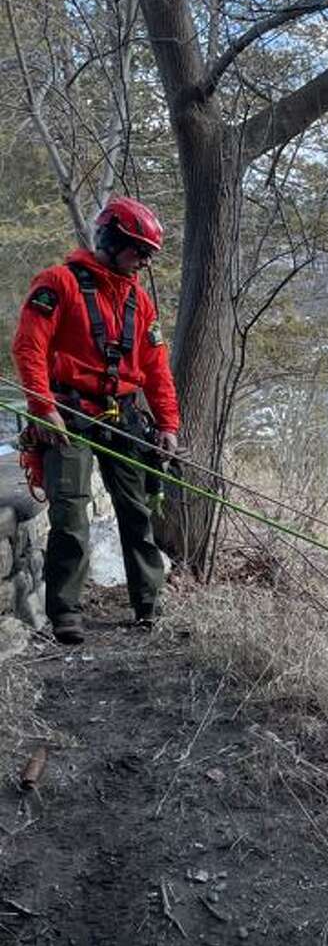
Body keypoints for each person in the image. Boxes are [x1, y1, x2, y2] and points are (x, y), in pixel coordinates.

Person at [11, 196, 180, 645]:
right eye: (139, 250)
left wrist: (167, 424)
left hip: (123, 417)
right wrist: (43, 408)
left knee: (137, 512)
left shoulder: (140, 302)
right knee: (70, 515)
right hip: (68, 416)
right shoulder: (58, 284)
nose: (145, 261)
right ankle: (65, 611)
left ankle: (148, 604)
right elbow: (29, 347)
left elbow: (156, 368)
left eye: (149, 253)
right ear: (112, 240)